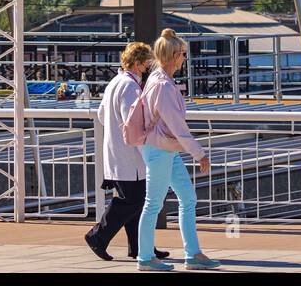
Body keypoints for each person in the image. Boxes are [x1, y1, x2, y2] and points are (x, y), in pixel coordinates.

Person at [136, 30, 221, 271]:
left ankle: (192, 254)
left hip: (165, 149)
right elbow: (177, 125)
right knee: (154, 203)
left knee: (188, 198)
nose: (185, 58)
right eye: (183, 54)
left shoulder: (161, 80)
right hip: (159, 149)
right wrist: (199, 154)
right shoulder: (162, 85)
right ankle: (145, 258)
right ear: (173, 55)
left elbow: (175, 127)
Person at [84, 42, 170, 262]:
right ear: (139, 64)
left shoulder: (115, 82)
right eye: (147, 63)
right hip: (129, 155)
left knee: (136, 201)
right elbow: (131, 120)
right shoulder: (131, 87)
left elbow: (103, 116)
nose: (149, 67)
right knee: (132, 200)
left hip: (117, 153)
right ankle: (98, 236)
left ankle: (141, 247)